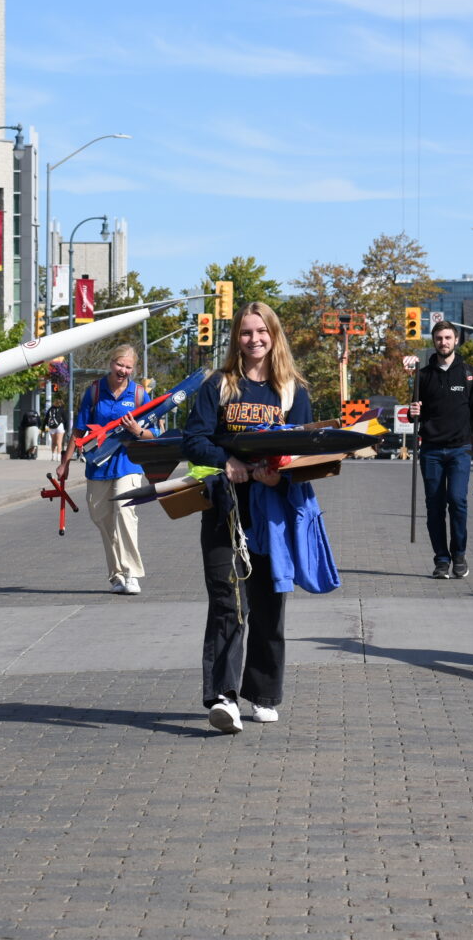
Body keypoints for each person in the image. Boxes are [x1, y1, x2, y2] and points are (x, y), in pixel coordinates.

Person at [184, 301, 311, 734]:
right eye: (245, 332)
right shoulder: (218, 386)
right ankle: (223, 697)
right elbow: (194, 439)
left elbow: (305, 452)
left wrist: (281, 477)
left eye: (261, 331)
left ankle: (264, 693)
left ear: (274, 335)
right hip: (224, 508)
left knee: (268, 603)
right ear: (235, 338)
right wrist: (228, 460)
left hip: (272, 515)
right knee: (227, 602)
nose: (254, 339)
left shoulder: (292, 389)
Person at [56, 344, 155, 595]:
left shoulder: (140, 394)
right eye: (119, 364)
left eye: (128, 367)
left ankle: (132, 573)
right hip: (98, 463)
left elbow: (154, 433)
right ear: (111, 363)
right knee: (102, 519)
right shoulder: (94, 391)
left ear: (134, 369)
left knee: (125, 514)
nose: (123, 370)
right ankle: (117, 575)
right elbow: (78, 430)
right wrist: (64, 462)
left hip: (128, 462)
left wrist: (137, 432)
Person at [404, 320, 473, 579]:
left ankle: (460, 555)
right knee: (434, 507)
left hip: (460, 450)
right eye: (439, 338)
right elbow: (413, 413)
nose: (443, 342)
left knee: (458, 501)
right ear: (434, 342)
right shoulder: (424, 375)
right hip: (430, 450)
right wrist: (412, 413)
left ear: (456, 341)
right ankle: (441, 560)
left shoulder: (469, 373)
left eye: (448, 337)